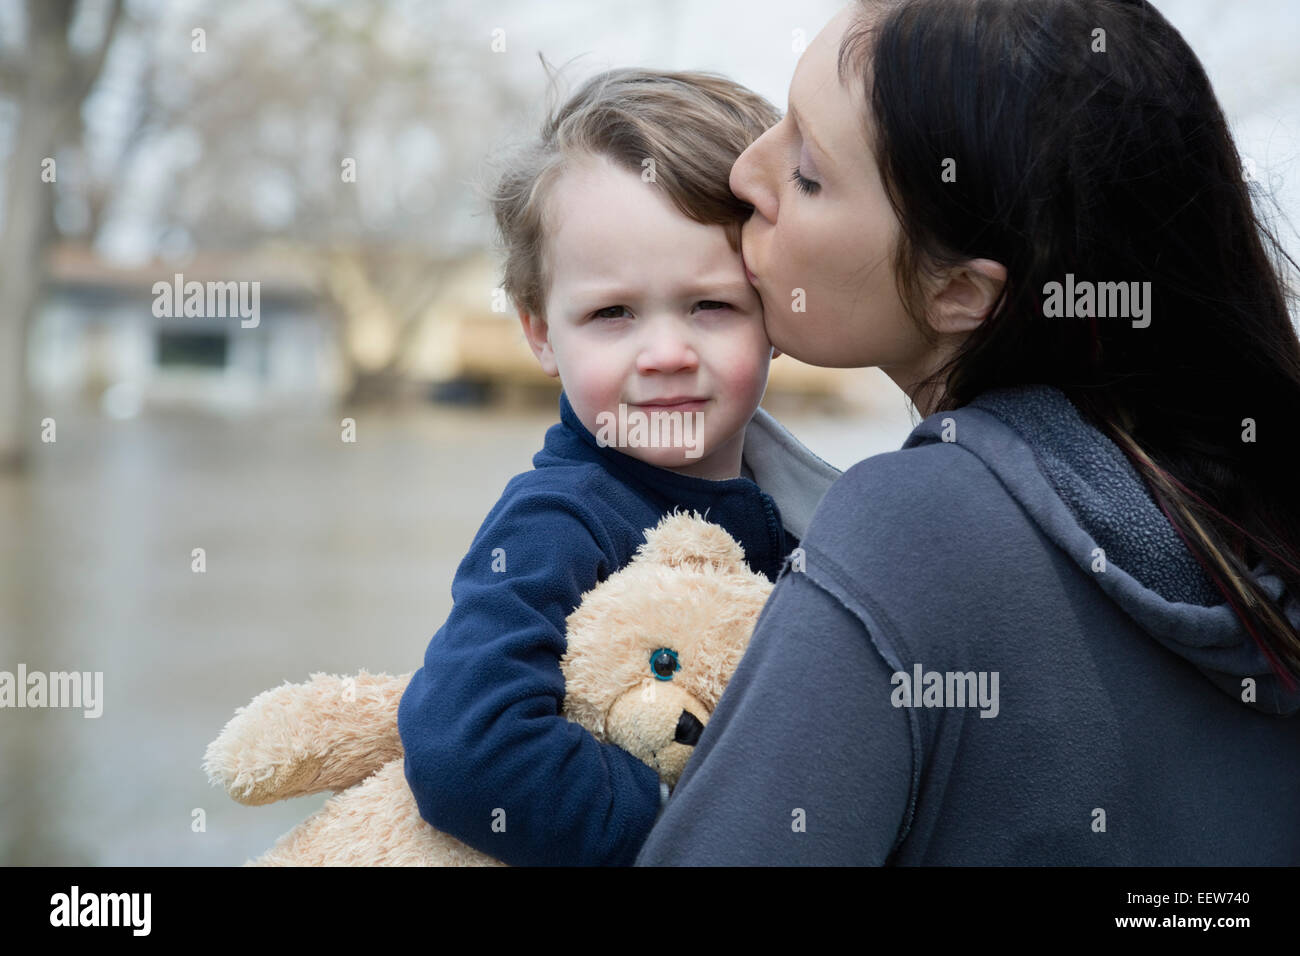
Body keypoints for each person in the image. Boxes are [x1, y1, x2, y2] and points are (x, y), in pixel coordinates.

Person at [637, 0, 1300, 865]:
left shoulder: (917, 528)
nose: (742, 174)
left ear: (961, 292)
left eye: (806, 171)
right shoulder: (1255, 512)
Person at [396, 67, 841, 866]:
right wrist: (697, 827)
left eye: (711, 306)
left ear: (776, 312)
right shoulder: (558, 520)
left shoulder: (825, 518)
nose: (666, 354)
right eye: (612, 314)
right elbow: (467, 747)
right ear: (539, 333)